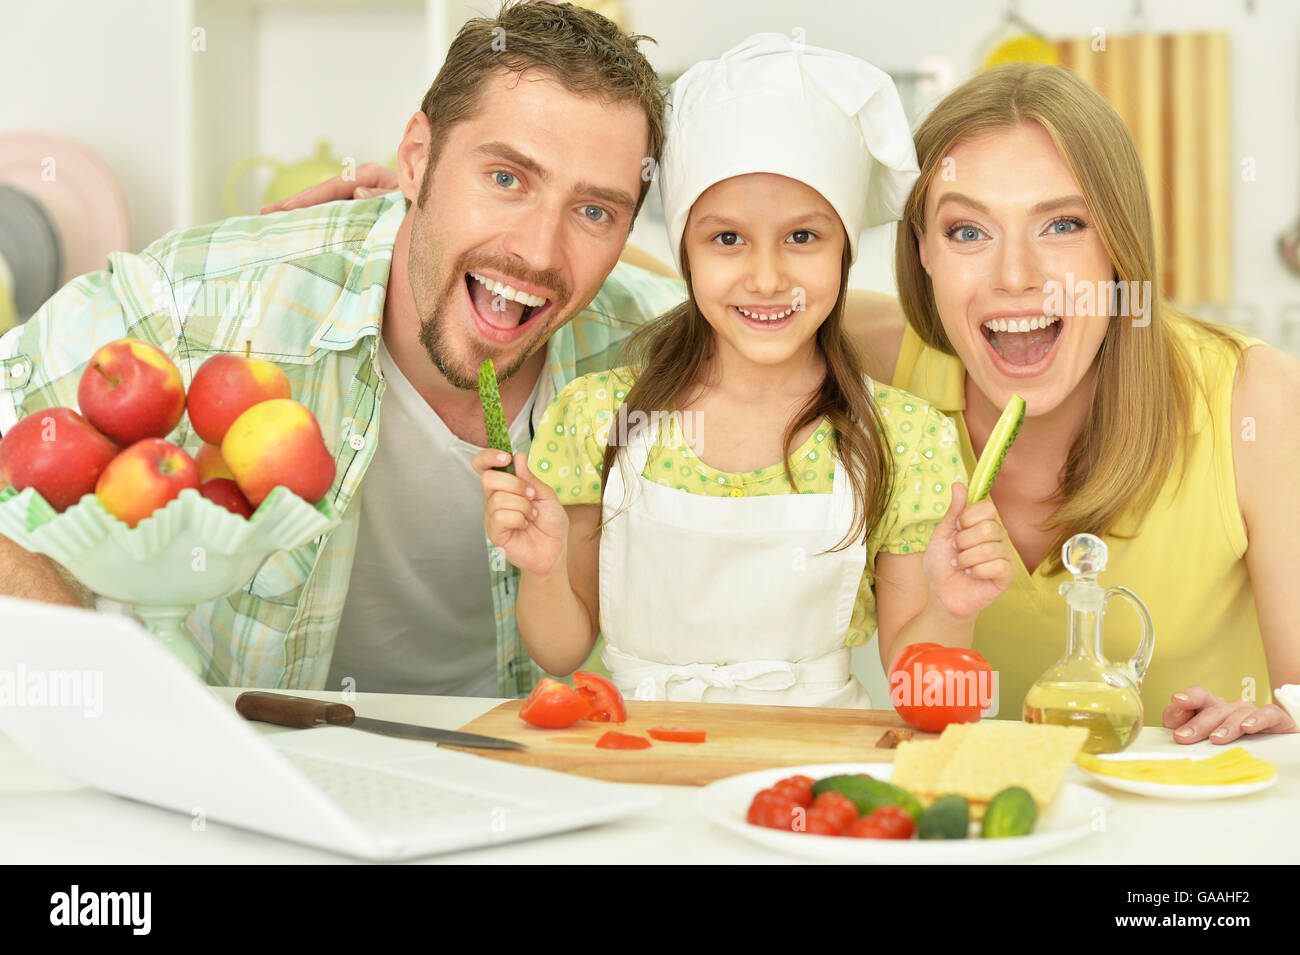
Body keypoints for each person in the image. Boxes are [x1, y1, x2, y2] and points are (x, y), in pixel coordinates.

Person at [0, 1, 688, 697]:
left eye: (593, 210)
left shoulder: (654, 356)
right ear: (417, 160)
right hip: (258, 788)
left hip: (525, 781)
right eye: (506, 178)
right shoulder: (210, 303)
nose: (539, 251)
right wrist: (104, 712)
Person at [472, 34, 1015, 707]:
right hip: (638, 760)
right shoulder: (596, 417)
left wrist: (954, 607)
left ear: (843, 253)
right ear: (686, 254)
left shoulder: (905, 439)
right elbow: (559, 648)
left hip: (810, 773)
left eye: (803, 237)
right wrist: (545, 566)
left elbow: (916, 684)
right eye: (727, 239)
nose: (765, 277)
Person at [877, 64, 1298, 740]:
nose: (1016, 276)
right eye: (967, 232)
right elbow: (704, 309)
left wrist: (1281, 723)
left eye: (1063, 224)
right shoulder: (882, 374)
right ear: (922, 249)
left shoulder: (1257, 403)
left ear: (1119, 247)